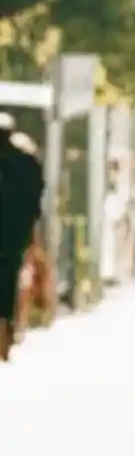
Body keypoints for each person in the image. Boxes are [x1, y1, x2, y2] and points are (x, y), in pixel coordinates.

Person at [0, 112, 45, 363]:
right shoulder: (27, 162)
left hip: (13, 234)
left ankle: (7, 330)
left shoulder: (23, 163)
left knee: (9, 280)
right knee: (9, 282)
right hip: (15, 234)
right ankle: (7, 330)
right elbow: (36, 197)